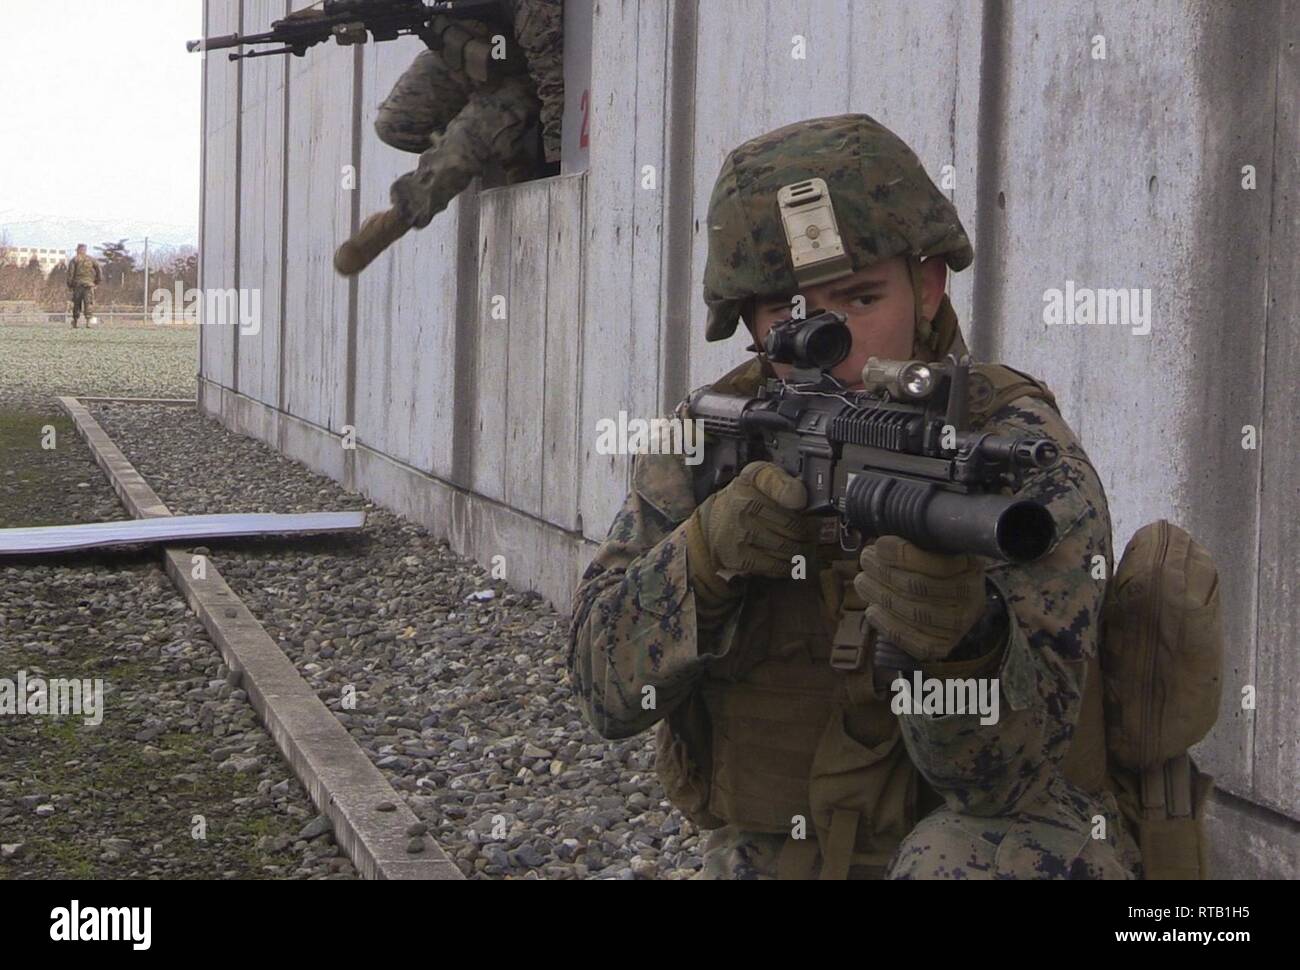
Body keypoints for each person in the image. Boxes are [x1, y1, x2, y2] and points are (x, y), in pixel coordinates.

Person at [567, 114, 1143, 880]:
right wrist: (704, 559)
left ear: (929, 287)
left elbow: (1004, 782)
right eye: (791, 318)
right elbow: (605, 696)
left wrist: (964, 646)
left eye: (861, 300)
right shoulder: (714, 441)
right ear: (750, 325)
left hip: (983, 844)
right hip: (782, 849)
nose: (833, 346)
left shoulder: (1014, 456)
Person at [373, 0, 564, 232]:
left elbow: (554, 82)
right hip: (467, 57)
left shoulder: (534, 9)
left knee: (462, 142)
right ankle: (496, 147)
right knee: (395, 124)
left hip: (520, 80)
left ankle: (399, 218)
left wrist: (558, 164)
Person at [66, 244, 102, 329]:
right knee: (88, 303)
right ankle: (88, 322)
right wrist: (96, 282)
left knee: (76, 304)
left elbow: (70, 274)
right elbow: (99, 271)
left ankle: (75, 322)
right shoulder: (92, 260)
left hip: (77, 285)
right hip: (89, 285)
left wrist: (70, 285)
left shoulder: (74, 260)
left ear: (78, 250)